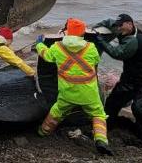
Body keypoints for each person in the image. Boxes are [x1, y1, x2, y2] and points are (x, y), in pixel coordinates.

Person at [35, 18, 111, 155]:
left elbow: (46, 56)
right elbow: (96, 60)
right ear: (82, 33)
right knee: (98, 114)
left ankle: (42, 132)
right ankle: (101, 140)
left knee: (56, 112)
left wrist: (39, 44)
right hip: (89, 94)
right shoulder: (91, 47)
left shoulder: (57, 47)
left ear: (67, 32)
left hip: (67, 93)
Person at [92, 13, 142, 148]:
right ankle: (106, 127)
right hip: (130, 76)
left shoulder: (134, 40)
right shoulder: (122, 28)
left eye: (121, 26)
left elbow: (117, 53)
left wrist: (100, 39)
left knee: (139, 108)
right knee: (112, 102)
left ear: (130, 24)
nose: (119, 29)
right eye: (118, 26)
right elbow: (108, 21)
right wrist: (94, 29)